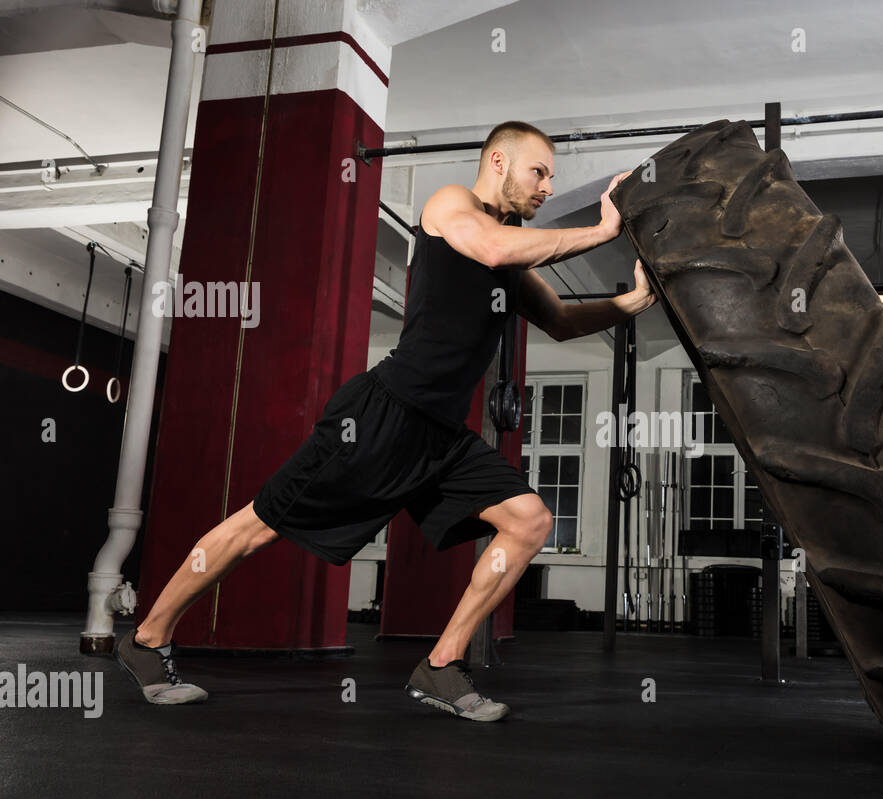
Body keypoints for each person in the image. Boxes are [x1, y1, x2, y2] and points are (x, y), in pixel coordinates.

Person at [115, 120, 657, 721]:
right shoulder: (451, 206)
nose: (548, 187)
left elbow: (559, 319)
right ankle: (147, 640)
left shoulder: (509, 256)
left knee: (528, 522)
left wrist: (631, 303)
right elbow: (493, 247)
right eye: (540, 172)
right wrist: (603, 228)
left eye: (552, 177)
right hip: (382, 415)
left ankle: (441, 667)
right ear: (498, 161)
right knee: (257, 526)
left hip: (443, 436)